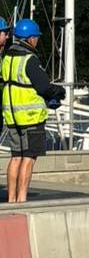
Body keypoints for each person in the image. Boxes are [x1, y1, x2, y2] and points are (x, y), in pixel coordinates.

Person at [2, 19, 64, 204]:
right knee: (28, 158)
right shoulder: (30, 59)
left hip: (12, 116)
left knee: (15, 158)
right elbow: (44, 87)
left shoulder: (7, 58)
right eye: (36, 37)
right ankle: (22, 199)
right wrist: (59, 91)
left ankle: (11, 199)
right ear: (30, 39)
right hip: (30, 117)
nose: (37, 40)